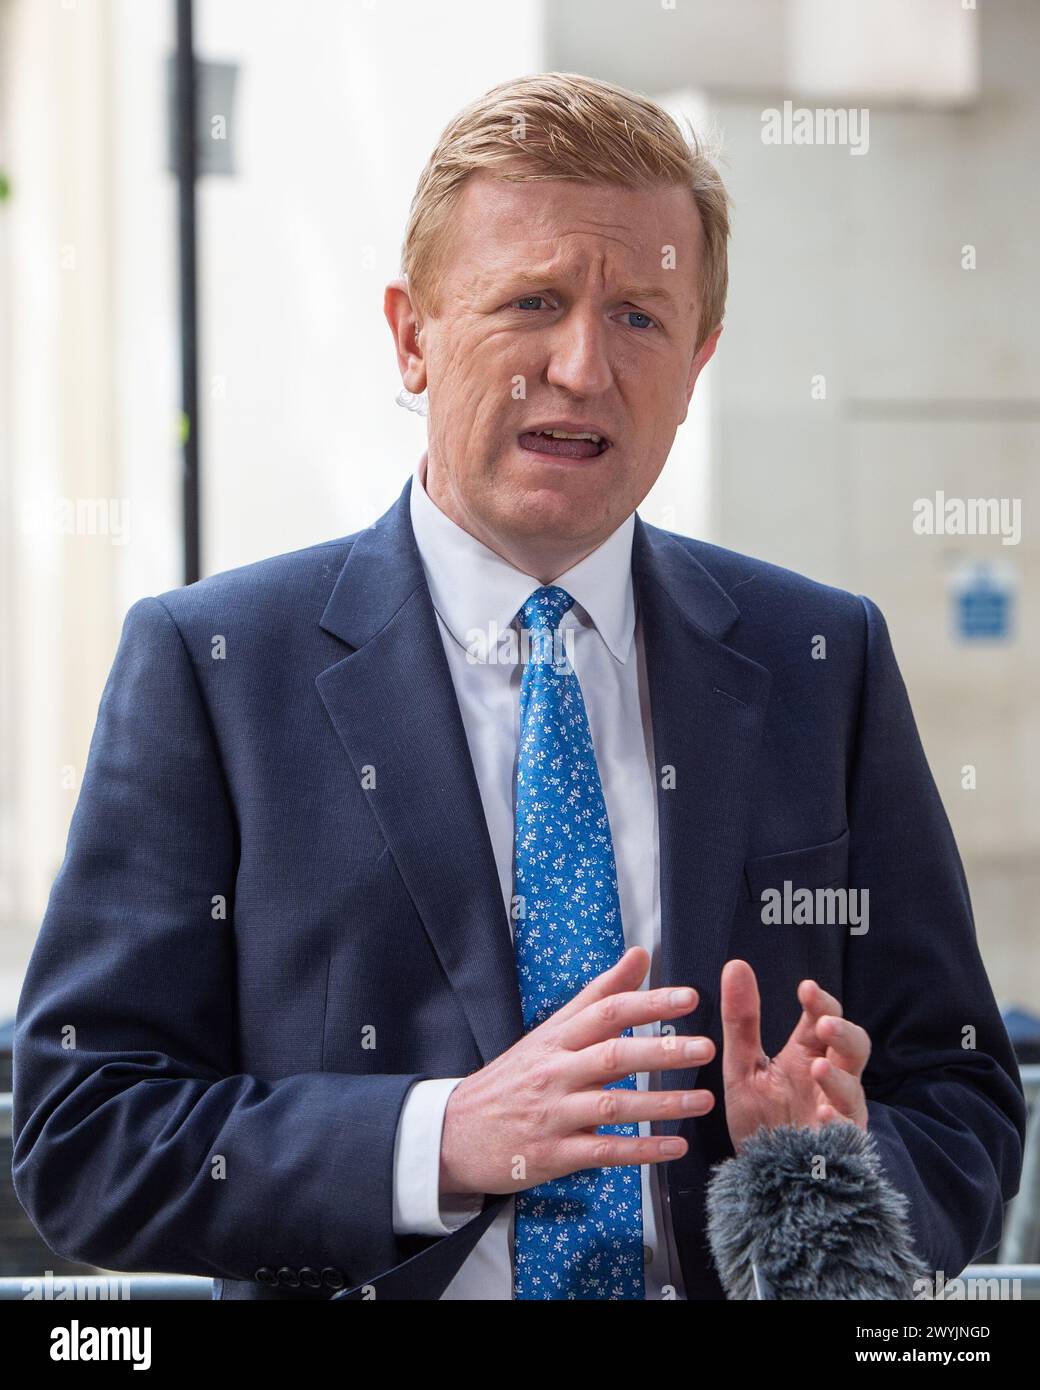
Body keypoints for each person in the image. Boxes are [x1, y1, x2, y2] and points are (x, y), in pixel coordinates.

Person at [12, 72, 1025, 1301]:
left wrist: (821, 1177)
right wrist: (438, 1136)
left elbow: (964, 1099)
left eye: (642, 317)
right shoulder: (214, 665)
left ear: (699, 358)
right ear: (412, 335)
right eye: (530, 300)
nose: (583, 364)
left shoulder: (824, 658)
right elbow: (83, 1133)